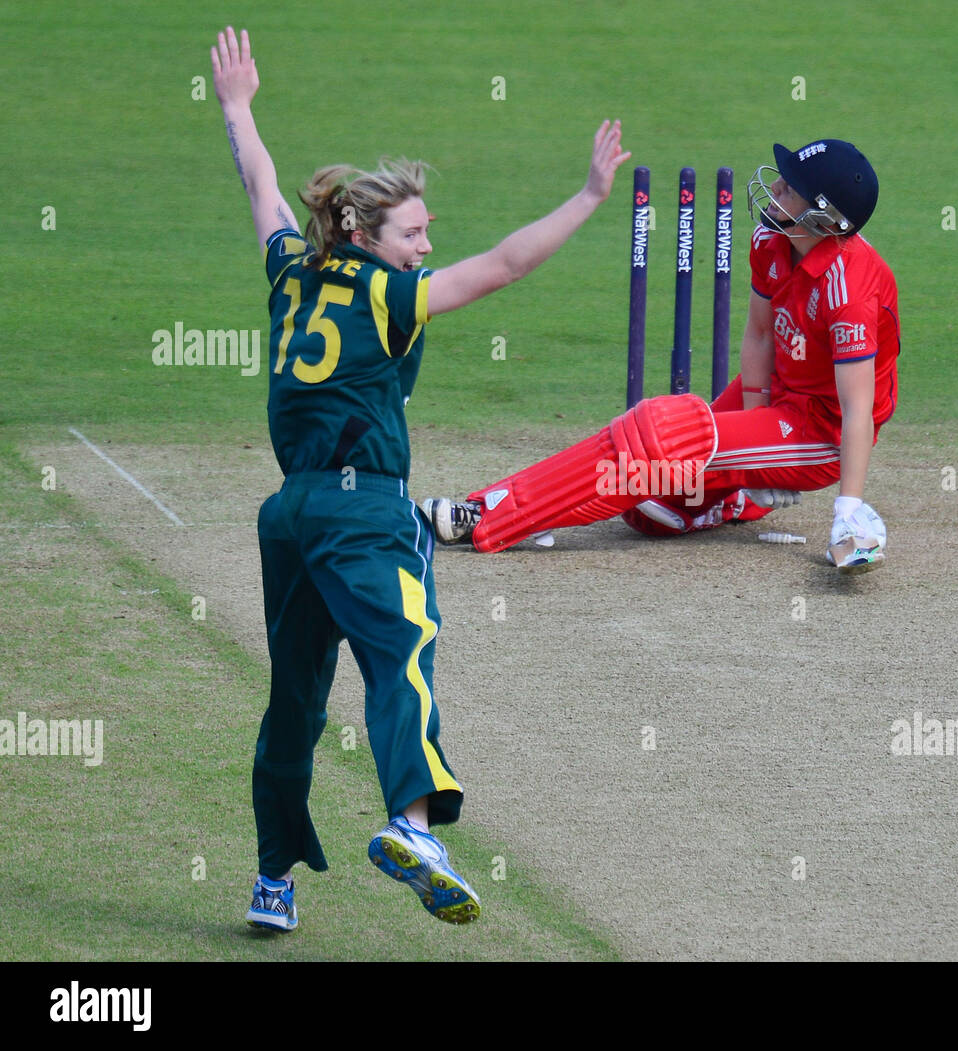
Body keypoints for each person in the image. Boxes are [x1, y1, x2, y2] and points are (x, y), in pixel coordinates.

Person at [211, 25, 630, 930]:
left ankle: (271, 881)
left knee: (294, 703)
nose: (426, 246)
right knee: (405, 654)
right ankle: (412, 824)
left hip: (288, 516)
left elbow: (261, 187)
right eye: (414, 232)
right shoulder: (387, 292)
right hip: (367, 513)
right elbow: (510, 264)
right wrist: (589, 196)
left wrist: (239, 108)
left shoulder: (293, 270)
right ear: (364, 232)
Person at [429, 138, 898, 572]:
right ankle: (730, 501)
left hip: (823, 430)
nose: (774, 188)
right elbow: (759, 336)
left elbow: (857, 411)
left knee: (663, 435)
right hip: (782, 389)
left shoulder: (849, 289)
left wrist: (848, 509)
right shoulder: (770, 241)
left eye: (790, 187)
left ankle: (494, 512)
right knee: (651, 510)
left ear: (822, 218)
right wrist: (756, 439)